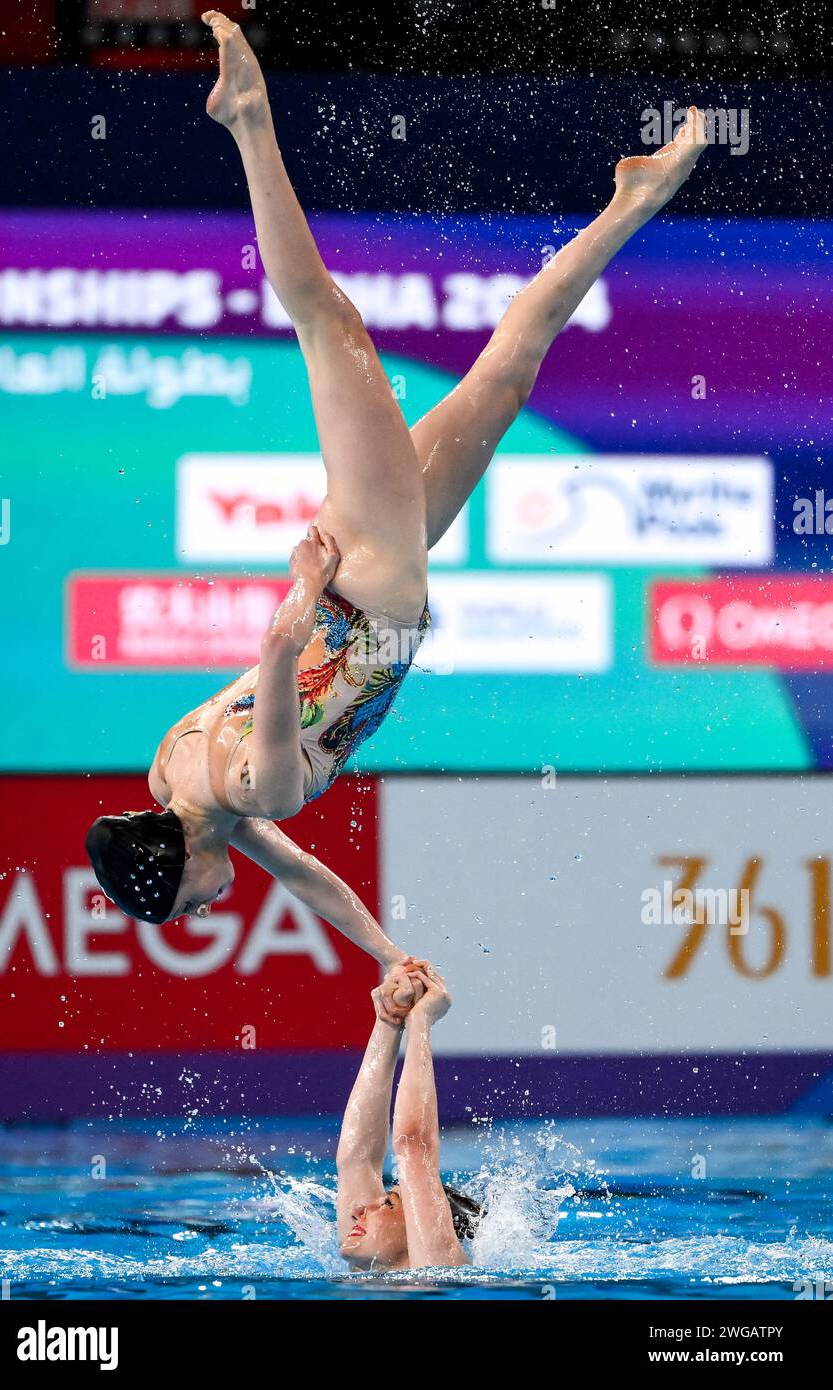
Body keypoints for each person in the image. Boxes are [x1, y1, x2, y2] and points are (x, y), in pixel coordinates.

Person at [86, 11, 708, 970]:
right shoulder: (182, 778)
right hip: (371, 583)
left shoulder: (265, 794)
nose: (205, 913)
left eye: (186, 909)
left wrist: (301, 582)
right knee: (507, 376)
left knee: (329, 320)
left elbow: (281, 650)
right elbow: (308, 880)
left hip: (367, 578)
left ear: (183, 863)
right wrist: (385, 952)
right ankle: (631, 202)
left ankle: (249, 119)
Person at [337, 961, 479, 1270]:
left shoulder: (440, 1269)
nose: (361, 1208)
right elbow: (357, 1158)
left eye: (388, 1202)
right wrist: (389, 1021)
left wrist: (422, 1020)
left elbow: (415, 1146)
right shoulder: (377, 1273)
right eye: (387, 1201)